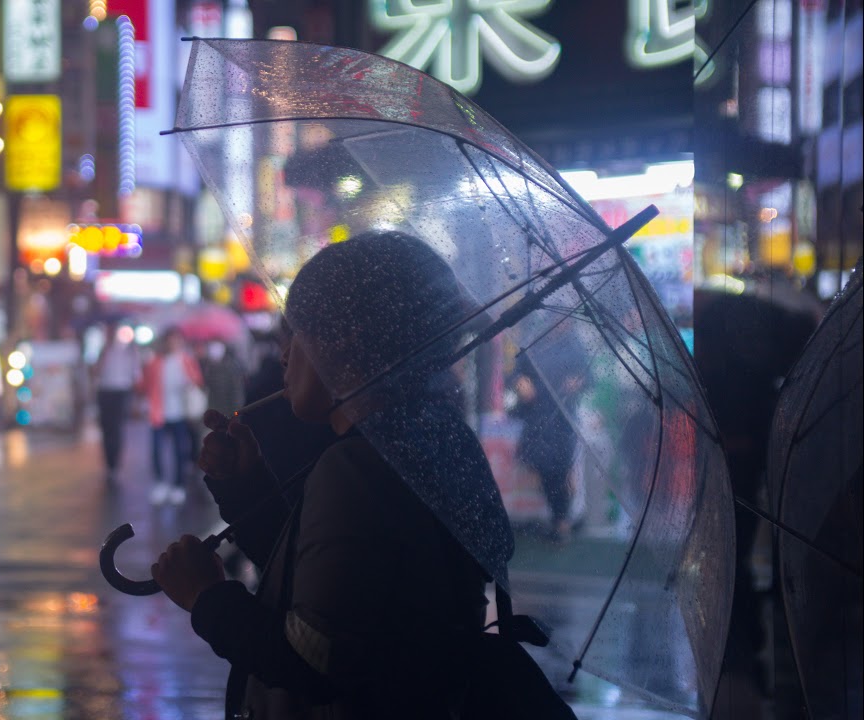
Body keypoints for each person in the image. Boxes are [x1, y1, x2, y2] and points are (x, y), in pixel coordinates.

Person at [151, 232, 574, 719]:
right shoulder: (437, 440)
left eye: (297, 331)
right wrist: (247, 485)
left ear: (348, 340)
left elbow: (314, 661)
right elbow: (346, 595)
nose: (284, 354)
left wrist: (208, 596)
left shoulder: (358, 468)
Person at [509, 356, 585, 543]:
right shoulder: (533, 343)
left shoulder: (574, 345)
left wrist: (579, 381)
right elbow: (515, 373)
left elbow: (587, 375)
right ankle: (558, 519)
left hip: (562, 419)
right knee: (543, 469)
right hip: (536, 419)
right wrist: (519, 381)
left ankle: (562, 520)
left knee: (561, 468)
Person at [142, 328, 204, 505]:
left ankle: (179, 485)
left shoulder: (187, 360)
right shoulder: (155, 362)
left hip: (181, 413)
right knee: (157, 451)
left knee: (180, 451)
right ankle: (160, 483)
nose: (172, 344)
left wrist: (189, 382)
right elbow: (146, 385)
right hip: (159, 413)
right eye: (170, 340)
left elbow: (198, 381)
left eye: (176, 340)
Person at [91, 321, 142, 484]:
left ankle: (115, 464)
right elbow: (96, 372)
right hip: (105, 391)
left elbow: (135, 375)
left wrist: (135, 398)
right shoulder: (104, 351)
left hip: (121, 392)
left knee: (117, 428)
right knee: (106, 429)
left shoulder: (129, 352)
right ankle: (109, 463)